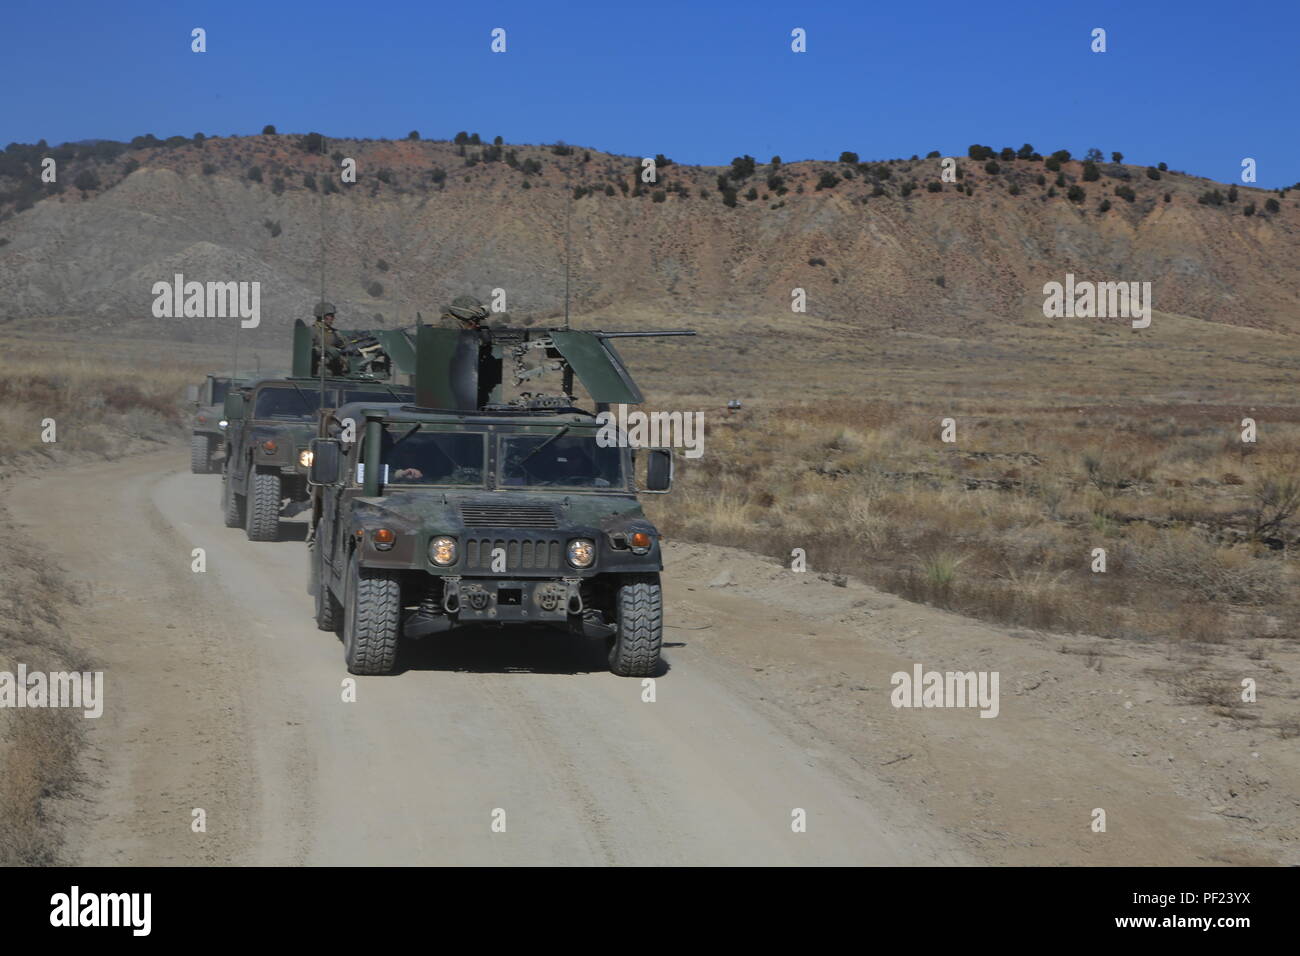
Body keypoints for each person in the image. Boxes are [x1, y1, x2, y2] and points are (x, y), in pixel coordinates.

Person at [312, 301, 347, 375]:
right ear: (322, 316)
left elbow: (344, 346)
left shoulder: (335, 332)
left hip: (336, 369)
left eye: (333, 316)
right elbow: (308, 351)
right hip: (321, 371)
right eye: (331, 316)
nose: (333, 318)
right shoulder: (313, 331)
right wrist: (326, 349)